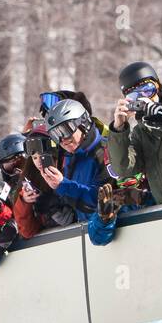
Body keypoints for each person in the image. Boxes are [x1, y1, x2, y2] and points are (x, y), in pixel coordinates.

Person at [106, 61, 162, 205]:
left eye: (147, 90)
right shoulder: (140, 131)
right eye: (135, 97)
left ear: (158, 87)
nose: (144, 98)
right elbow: (124, 168)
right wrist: (119, 129)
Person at [42, 99, 119, 245]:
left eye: (65, 130)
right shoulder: (71, 158)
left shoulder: (105, 151)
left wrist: (63, 185)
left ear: (83, 123)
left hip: (113, 237)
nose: (62, 140)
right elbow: (76, 203)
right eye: (55, 135)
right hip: (86, 240)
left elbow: (103, 199)